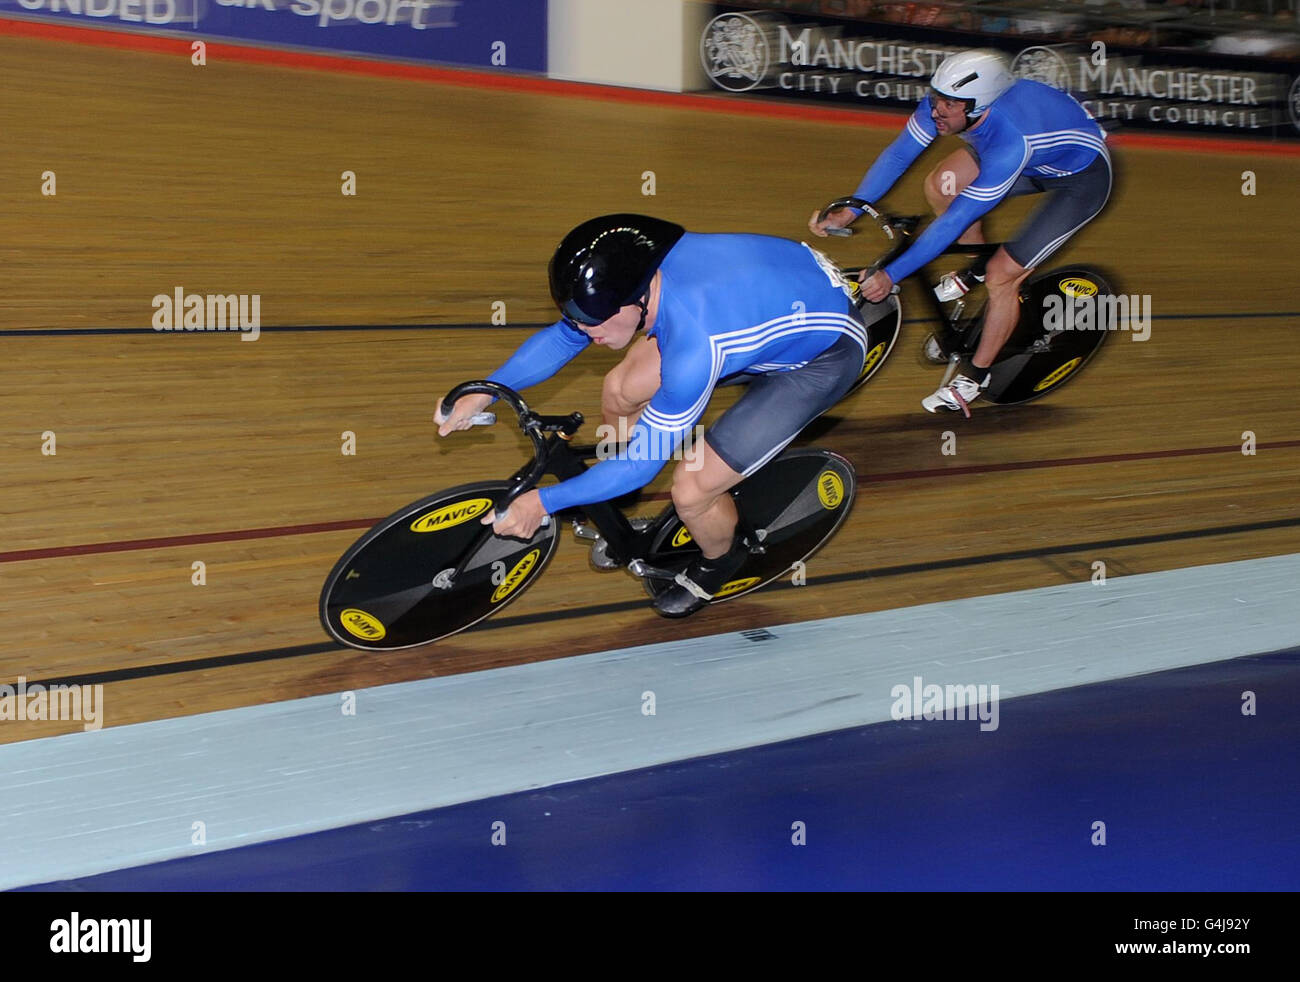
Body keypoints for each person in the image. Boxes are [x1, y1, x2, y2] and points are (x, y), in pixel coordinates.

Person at [436, 214, 868, 618]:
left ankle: (721, 562)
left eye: (595, 322)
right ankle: (612, 495)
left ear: (636, 298)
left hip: (819, 359)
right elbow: (564, 338)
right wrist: (483, 392)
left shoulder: (695, 348)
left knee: (691, 488)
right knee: (620, 390)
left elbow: (644, 465)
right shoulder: (636, 269)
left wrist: (543, 503)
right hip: (767, 302)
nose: (586, 332)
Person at [810, 49, 1112, 416]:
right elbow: (898, 155)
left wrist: (893, 274)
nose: (936, 110)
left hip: (1079, 181)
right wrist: (850, 210)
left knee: (1003, 276)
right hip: (1031, 157)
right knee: (941, 186)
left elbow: (954, 222)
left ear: (977, 106)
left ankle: (977, 375)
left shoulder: (1010, 141)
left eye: (949, 104)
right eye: (935, 97)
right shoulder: (947, 104)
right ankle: (976, 268)